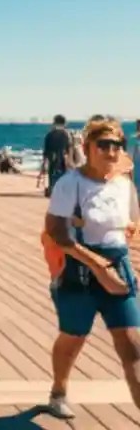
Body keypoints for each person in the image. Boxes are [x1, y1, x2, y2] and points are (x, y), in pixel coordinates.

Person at [44, 118, 140, 419]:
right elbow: (57, 234)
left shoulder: (124, 186)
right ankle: (58, 390)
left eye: (117, 146)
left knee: (132, 345)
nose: (111, 152)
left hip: (118, 266)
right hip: (80, 269)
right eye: (104, 145)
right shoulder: (70, 183)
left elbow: (131, 225)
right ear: (87, 148)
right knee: (73, 338)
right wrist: (98, 267)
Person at [40, 116, 74, 198]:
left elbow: (46, 150)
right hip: (63, 158)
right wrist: (70, 160)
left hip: (52, 157)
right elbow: (69, 148)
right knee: (63, 175)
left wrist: (44, 162)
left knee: (52, 175)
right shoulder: (66, 134)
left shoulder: (49, 134)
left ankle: (52, 189)